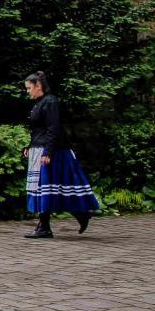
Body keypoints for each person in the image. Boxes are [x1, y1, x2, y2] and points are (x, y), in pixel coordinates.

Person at [24, 71, 97, 238]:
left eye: (29, 88)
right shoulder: (39, 103)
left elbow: (53, 128)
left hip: (51, 152)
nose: (27, 91)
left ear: (38, 86)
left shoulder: (50, 102)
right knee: (42, 189)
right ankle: (54, 224)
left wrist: (48, 152)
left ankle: (47, 226)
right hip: (39, 150)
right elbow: (38, 130)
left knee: (48, 188)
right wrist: (29, 146)